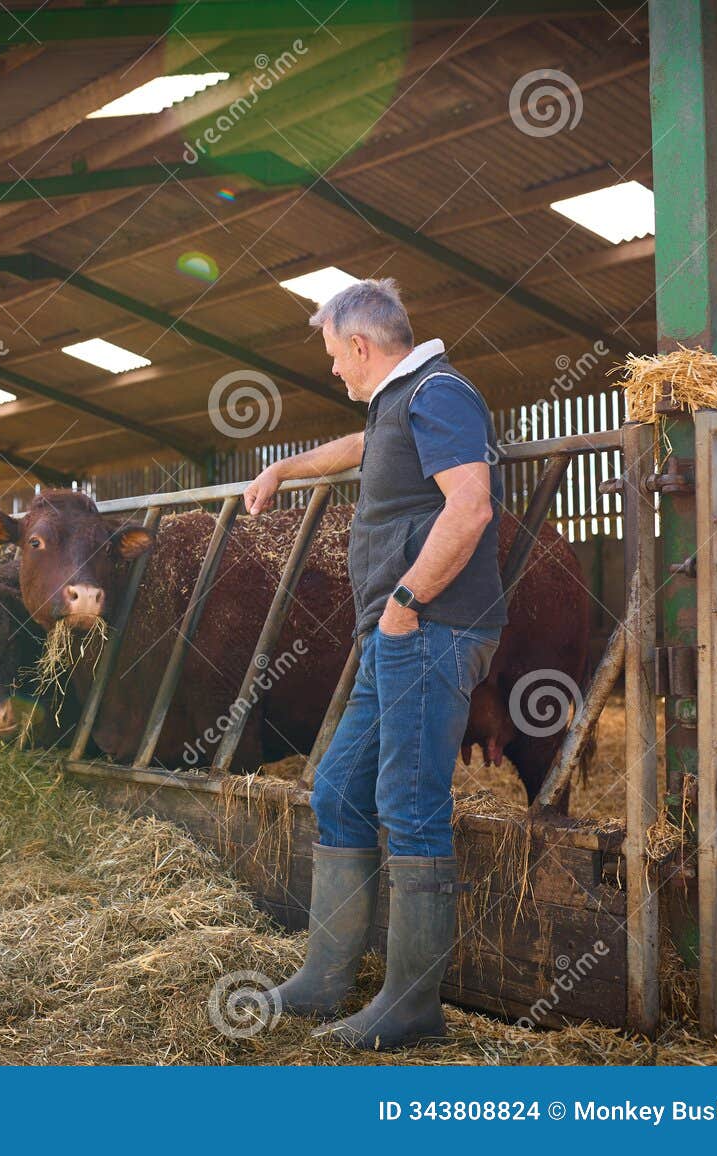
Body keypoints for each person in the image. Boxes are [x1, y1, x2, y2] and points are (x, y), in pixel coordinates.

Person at [242, 277, 505, 1051]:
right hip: (395, 635)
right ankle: (328, 976)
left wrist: (407, 601)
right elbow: (362, 447)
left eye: (333, 356)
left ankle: (412, 1007)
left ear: (360, 345)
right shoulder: (398, 402)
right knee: (338, 787)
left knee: (411, 802)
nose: (332, 370)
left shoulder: (442, 392)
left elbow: (471, 505)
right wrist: (284, 470)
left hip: (431, 627)